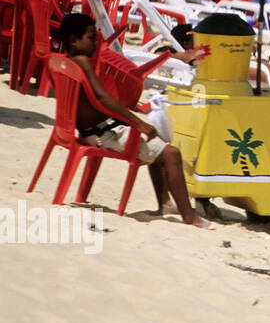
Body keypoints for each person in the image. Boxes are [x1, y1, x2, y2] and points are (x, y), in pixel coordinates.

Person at [60, 14, 212, 228]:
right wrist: (138, 123)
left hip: (90, 131)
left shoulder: (65, 63)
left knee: (156, 141)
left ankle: (167, 203)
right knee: (171, 154)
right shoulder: (83, 62)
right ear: (74, 40)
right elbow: (103, 97)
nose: (95, 42)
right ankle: (189, 216)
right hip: (102, 135)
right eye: (91, 37)